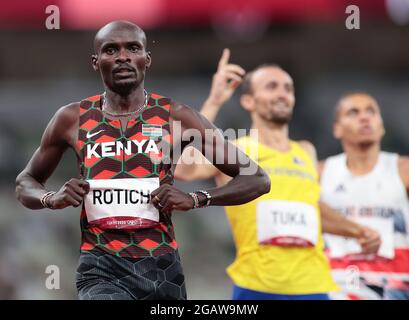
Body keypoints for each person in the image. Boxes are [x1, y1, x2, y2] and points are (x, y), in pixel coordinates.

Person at [15, 21, 270, 300]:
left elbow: (257, 179)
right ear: (95, 61)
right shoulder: (71, 118)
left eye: (132, 48)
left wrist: (198, 198)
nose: (123, 56)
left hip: (162, 268)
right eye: (111, 50)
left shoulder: (178, 118)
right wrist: (51, 198)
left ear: (146, 60)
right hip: (100, 266)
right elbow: (25, 183)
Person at [175, 50, 381, 300]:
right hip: (258, 285)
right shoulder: (236, 150)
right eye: (271, 87)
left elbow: (312, 208)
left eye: (288, 88)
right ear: (248, 101)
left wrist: (357, 231)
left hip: (313, 286)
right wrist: (215, 101)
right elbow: (184, 169)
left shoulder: (306, 151)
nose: (282, 93)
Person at [319, 92, 409, 300]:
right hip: (337, 285)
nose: (364, 117)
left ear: (382, 126)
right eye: (353, 112)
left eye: (371, 111)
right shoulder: (321, 172)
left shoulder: (403, 169)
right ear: (337, 129)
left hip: (394, 286)